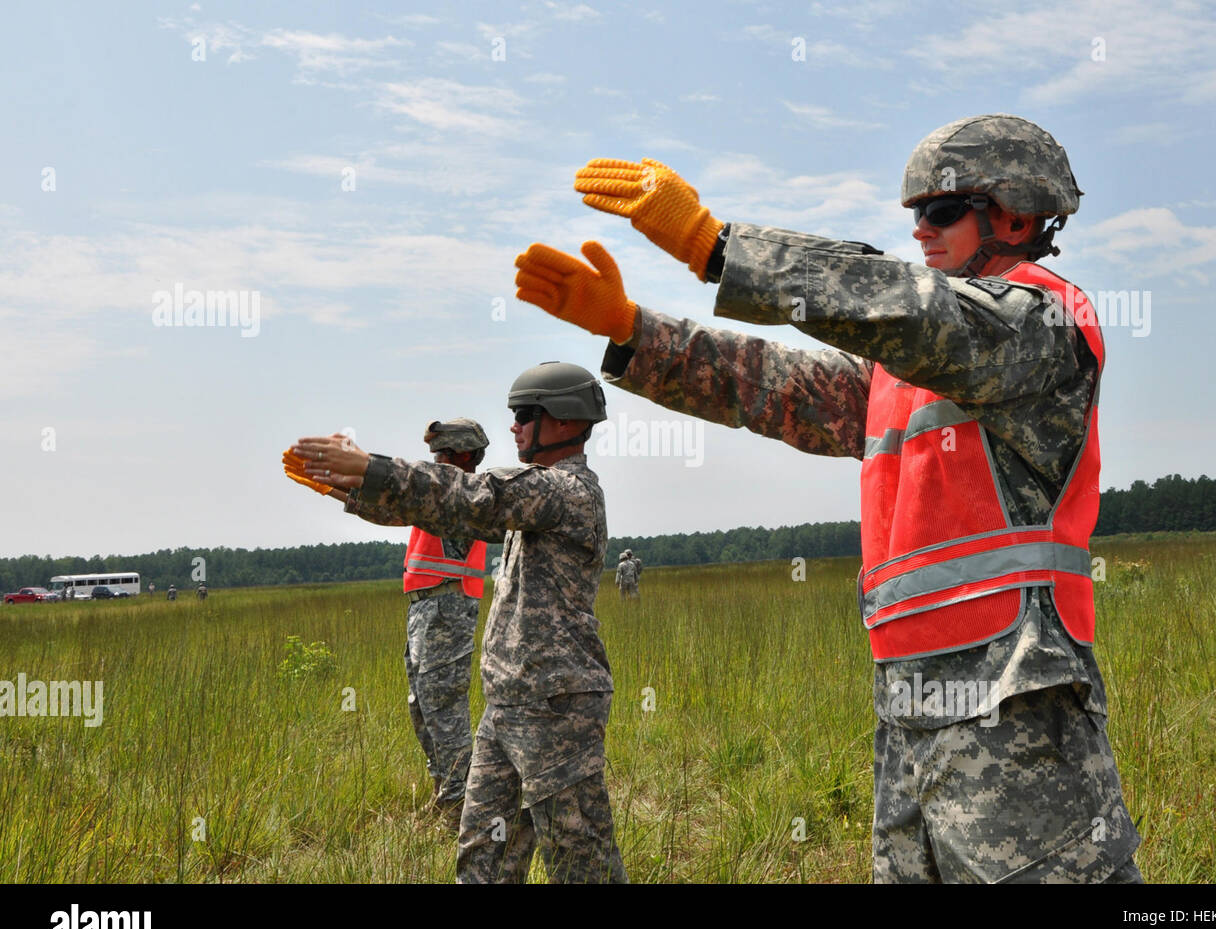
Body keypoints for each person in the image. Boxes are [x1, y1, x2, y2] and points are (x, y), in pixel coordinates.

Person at [514, 115, 1142, 884]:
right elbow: (774, 386)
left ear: (1014, 215)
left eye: (941, 210)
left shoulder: (1040, 323)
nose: (920, 230)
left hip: (1015, 702)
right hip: (910, 707)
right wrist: (631, 330)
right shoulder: (903, 372)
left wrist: (717, 248)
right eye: (913, 213)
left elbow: (915, 310)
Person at [287, 362, 628, 884]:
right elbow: (443, 512)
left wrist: (372, 468)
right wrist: (350, 490)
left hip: (557, 708)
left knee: (581, 865)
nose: (513, 426)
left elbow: (472, 497)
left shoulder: (565, 492)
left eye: (524, 414)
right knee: (482, 857)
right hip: (507, 703)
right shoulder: (537, 497)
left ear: (564, 421)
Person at [284, 420, 491, 826]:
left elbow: (400, 500)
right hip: (425, 608)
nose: (439, 461)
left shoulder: (463, 496)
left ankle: (460, 806)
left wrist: (357, 474)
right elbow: (392, 510)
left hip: (448, 606)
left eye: (445, 455)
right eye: (437, 456)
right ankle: (444, 791)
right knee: (423, 708)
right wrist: (335, 488)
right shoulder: (438, 493)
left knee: (443, 710)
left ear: (466, 456)